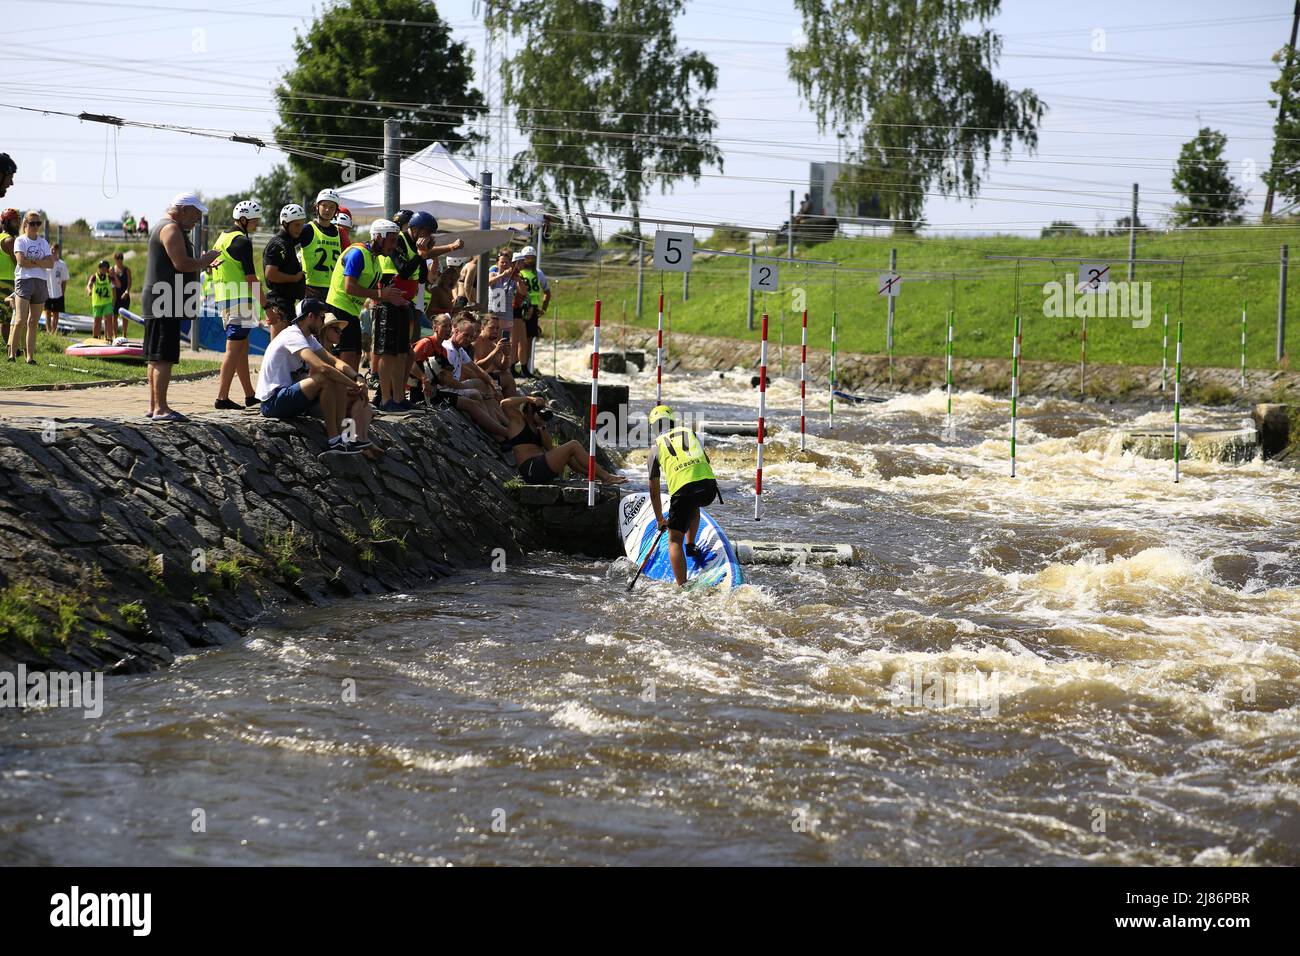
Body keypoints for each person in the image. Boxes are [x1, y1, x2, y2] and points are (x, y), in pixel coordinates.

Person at [255, 298, 376, 456]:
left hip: (292, 397)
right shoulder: (293, 335)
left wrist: (358, 377)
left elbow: (334, 361)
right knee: (328, 378)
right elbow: (323, 368)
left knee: (343, 387)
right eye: (322, 318)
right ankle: (335, 440)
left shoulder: (308, 338)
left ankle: (348, 438)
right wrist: (355, 386)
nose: (323, 322)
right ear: (310, 317)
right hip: (273, 402)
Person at [141, 194, 219, 421]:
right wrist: (205, 261)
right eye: (195, 215)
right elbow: (181, 263)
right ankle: (161, 409)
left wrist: (202, 263)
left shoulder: (166, 227)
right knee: (163, 356)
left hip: (162, 300)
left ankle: (154, 406)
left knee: (155, 356)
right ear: (183, 210)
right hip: (165, 301)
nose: (196, 221)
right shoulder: (171, 229)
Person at [646, 404, 722, 586]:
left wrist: (660, 520)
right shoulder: (689, 432)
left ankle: (683, 585)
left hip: (684, 492)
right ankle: (691, 545)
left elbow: (654, 492)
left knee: (673, 539)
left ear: (653, 428)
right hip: (709, 488)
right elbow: (706, 459)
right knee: (693, 502)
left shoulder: (655, 449)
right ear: (672, 422)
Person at [326, 217, 403, 382]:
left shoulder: (375, 259)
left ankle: (351, 394)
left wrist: (391, 297)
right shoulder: (358, 253)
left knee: (356, 353)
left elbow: (372, 289)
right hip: (339, 306)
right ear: (379, 237)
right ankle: (343, 394)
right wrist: (382, 295)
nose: (394, 245)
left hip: (352, 310)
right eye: (391, 240)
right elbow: (349, 287)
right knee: (347, 354)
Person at [211, 199, 266, 410]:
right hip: (239, 298)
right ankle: (221, 398)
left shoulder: (222, 238)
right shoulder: (242, 241)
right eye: (254, 221)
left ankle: (249, 395)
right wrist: (266, 304)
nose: (257, 225)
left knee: (242, 346)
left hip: (225, 297)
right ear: (243, 219)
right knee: (234, 348)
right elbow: (252, 278)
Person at [500, 394, 625, 486]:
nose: (539, 411)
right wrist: (529, 398)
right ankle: (606, 477)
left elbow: (550, 448)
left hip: (540, 466)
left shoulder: (538, 426)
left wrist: (541, 426)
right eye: (536, 408)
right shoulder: (518, 420)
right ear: (528, 408)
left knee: (568, 454)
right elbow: (504, 403)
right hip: (531, 469)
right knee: (573, 445)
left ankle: (596, 476)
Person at [410, 334, 511, 440]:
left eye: (471, 336)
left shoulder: (443, 350)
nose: (470, 339)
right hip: (425, 396)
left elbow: (449, 378)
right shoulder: (431, 345)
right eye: (445, 326)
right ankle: (505, 433)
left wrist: (493, 385)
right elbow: (411, 362)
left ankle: (504, 427)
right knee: (474, 397)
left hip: (436, 392)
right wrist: (424, 379)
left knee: (483, 388)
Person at [9, 211, 53, 363]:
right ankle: (12, 355)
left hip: (40, 282)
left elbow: (51, 263)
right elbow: (21, 262)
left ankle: (30, 357)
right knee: (20, 319)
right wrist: (40, 261)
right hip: (24, 281)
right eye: (33, 223)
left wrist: (33, 261)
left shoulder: (44, 243)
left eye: (38, 223)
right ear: (25, 224)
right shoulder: (20, 241)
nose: (36, 226)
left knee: (33, 321)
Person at [263, 203, 308, 338]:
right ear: (285, 224)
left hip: (286, 302)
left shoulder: (288, 243)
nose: (300, 229)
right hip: (279, 302)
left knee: (285, 350)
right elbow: (270, 273)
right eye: (296, 225)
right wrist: (294, 278)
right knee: (277, 349)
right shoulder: (278, 245)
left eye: (301, 224)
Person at [300, 188, 344, 300]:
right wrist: (298, 283)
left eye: (332, 207)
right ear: (317, 206)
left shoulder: (340, 232)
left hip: (333, 289)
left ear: (336, 211)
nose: (327, 210)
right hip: (311, 289)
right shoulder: (307, 229)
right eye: (324, 205)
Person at [515, 245, 550, 376]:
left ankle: (524, 367)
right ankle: (516, 366)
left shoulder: (537, 273)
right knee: (520, 340)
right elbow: (547, 293)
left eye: (531, 258)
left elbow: (548, 293)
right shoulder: (520, 272)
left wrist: (543, 309)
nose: (529, 260)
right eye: (527, 257)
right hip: (521, 307)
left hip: (532, 308)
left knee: (527, 340)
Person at [473, 313, 516, 398]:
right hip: (478, 378)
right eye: (491, 328)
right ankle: (509, 407)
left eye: (497, 328)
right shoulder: (477, 342)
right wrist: (495, 351)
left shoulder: (492, 344)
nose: (495, 331)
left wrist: (506, 355)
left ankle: (509, 406)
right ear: (482, 328)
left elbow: (502, 367)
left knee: (507, 374)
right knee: (508, 379)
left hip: (489, 378)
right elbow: (477, 367)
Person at [487, 250, 519, 347]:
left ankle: (505, 360)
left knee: (505, 341)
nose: (504, 264)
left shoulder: (512, 278)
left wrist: (518, 280)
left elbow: (523, 292)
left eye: (506, 262)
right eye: (502, 262)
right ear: (497, 263)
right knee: (493, 341)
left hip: (507, 314)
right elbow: (489, 282)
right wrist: (502, 275)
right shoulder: (493, 274)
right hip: (494, 313)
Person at [0, 207, 17, 346]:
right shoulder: (9, 240)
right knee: (8, 319)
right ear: (5, 222)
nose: (17, 224)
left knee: (4, 318)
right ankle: (11, 349)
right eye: (14, 221)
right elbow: (19, 263)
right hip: (7, 283)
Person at [43, 243, 69, 333]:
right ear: (50, 250)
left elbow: (64, 280)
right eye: (52, 249)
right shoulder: (46, 263)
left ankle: (53, 332)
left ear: (58, 251)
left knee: (56, 313)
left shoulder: (62, 264)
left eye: (55, 250)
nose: (53, 251)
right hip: (47, 291)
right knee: (47, 312)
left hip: (58, 292)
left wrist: (63, 292)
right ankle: (48, 331)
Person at [87, 259, 115, 340]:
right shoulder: (94, 277)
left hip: (107, 302)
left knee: (109, 319)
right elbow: (89, 285)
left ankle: (110, 338)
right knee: (97, 320)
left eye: (105, 268)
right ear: (99, 268)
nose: (103, 269)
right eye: (102, 267)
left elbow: (118, 285)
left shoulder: (109, 277)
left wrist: (113, 275)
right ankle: (95, 338)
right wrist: (89, 290)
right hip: (97, 303)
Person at [109, 250, 132, 341]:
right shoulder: (112, 269)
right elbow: (110, 281)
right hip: (115, 295)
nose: (119, 260)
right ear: (115, 259)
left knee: (125, 316)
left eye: (121, 258)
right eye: (118, 258)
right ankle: (115, 335)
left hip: (124, 295)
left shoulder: (127, 270)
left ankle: (124, 334)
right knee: (114, 315)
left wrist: (127, 292)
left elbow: (129, 283)